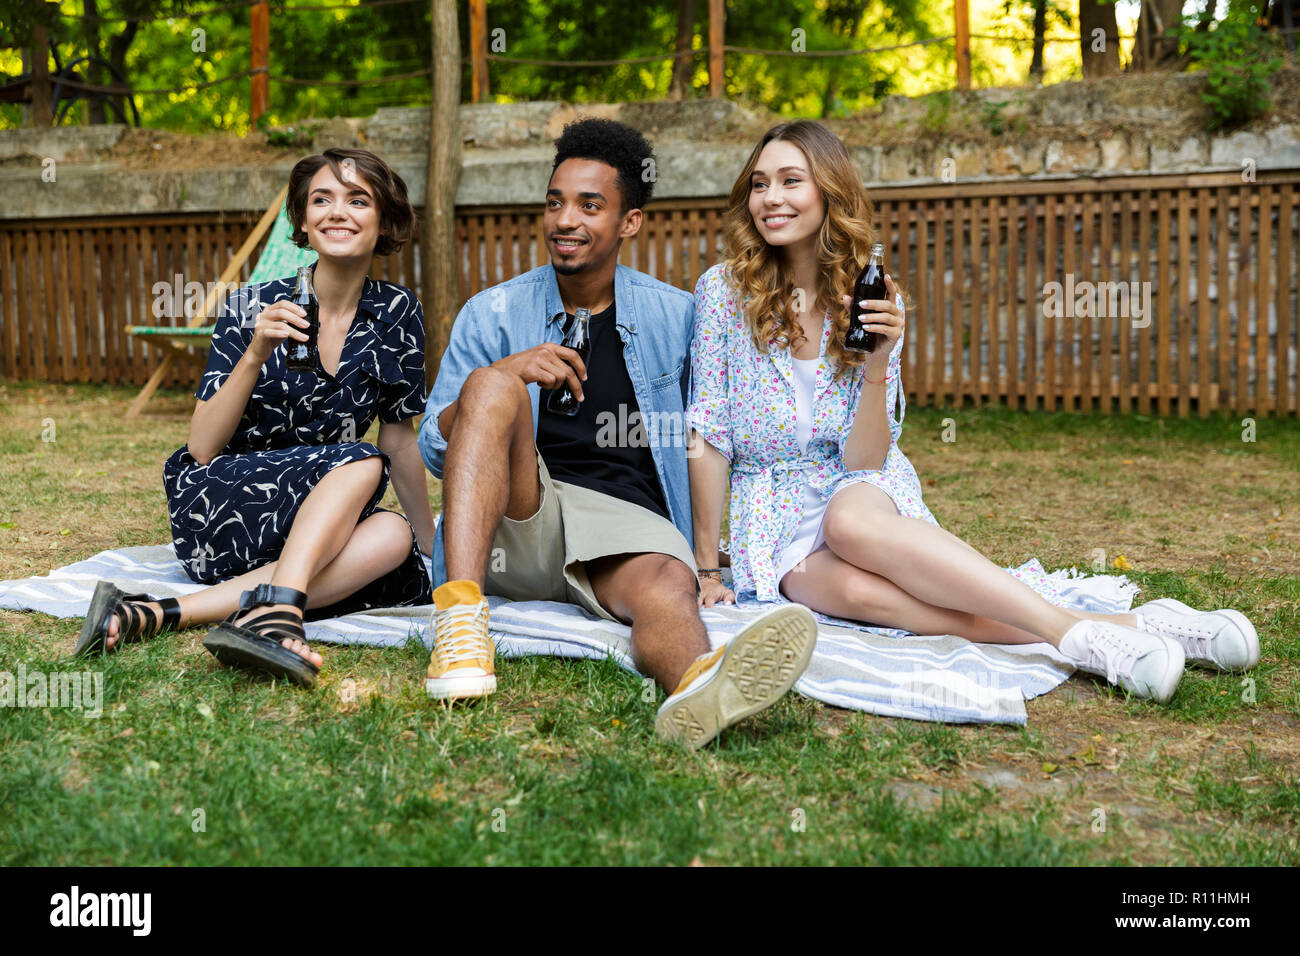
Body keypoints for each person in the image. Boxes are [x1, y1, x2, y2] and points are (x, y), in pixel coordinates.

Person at [687, 120, 1260, 704]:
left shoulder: (873, 297)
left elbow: (866, 459)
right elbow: (708, 434)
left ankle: (1077, 636)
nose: (771, 198)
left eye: (791, 181)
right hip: (771, 510)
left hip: (854, 488)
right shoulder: (724, 294)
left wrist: (880, 362)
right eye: (760, 184)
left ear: (830, 192)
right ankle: (1131, 629)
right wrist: (709, 570)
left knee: (850, 524)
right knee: (873, 601)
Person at [419, 118, 817, 749]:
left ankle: (698, 689)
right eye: (555, 202)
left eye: (589, 205)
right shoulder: (492, 312)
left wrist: (709, 564)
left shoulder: (677, 316)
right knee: (490, 386)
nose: (564, 219)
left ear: (629, 222)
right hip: (519, 517)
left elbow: (716, 434)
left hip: (626, 531)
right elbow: (435, 452)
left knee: (667, 588)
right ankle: (461, 629)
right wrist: (504, 373)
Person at [75, 148, 436, 688]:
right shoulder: (253, 304)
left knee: (392, 535)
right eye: (322, 199)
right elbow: (201, 447)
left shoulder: (398, 312)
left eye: (357, 199)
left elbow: (400, 439)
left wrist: (433, 550)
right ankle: (280, 612)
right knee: (364, 461)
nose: (338, 211)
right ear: (303, 220)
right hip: (223, 506)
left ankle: (156, 613)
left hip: (315, 526)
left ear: (381, 219)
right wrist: (253, 353)